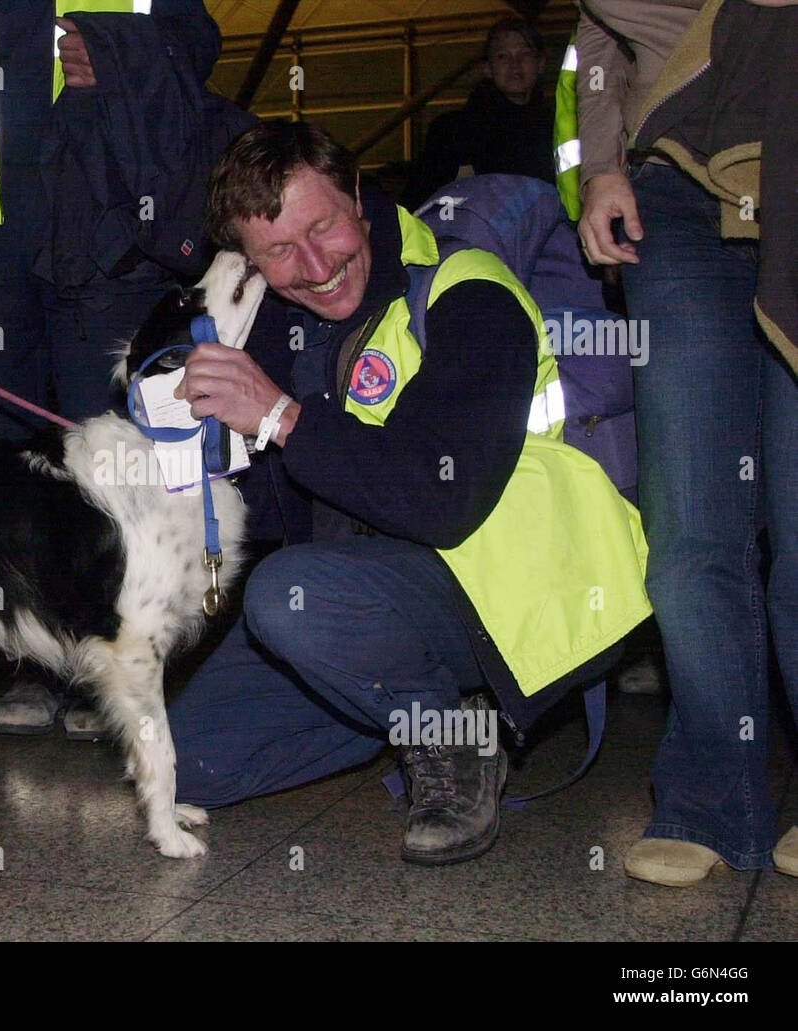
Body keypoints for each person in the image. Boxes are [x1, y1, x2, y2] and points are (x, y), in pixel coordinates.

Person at [165, 120, 649, 865]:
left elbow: (441, 499)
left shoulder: (466, 288)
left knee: (287, 593)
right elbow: (281, 514)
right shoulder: (284, 328)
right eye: (279, 253)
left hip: (515, 584)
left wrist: (282, 416)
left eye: (322, 227)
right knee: (183, 762)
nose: (315, 265)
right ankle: (401, 704)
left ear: (359, 198)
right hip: (372, 601)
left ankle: (448, 736)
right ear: (251, 264)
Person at [0, 0, 228, 741]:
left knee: (114, 450)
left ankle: (112, 659)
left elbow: (198, 36)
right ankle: (31, 657)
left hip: (105, 212)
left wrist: (129, 48)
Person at [576, 0, 798, 885]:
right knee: (688, 535)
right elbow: (598, 39)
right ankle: (711, 798)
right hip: (674, 191)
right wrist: (601, 167)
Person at [405, 17, 555, 209]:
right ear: (487, 68)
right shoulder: (452, 132)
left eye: (524, 54)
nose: (515, 65)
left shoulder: (558, 129)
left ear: (541, 63)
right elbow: (421, 199)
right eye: (503, 56)